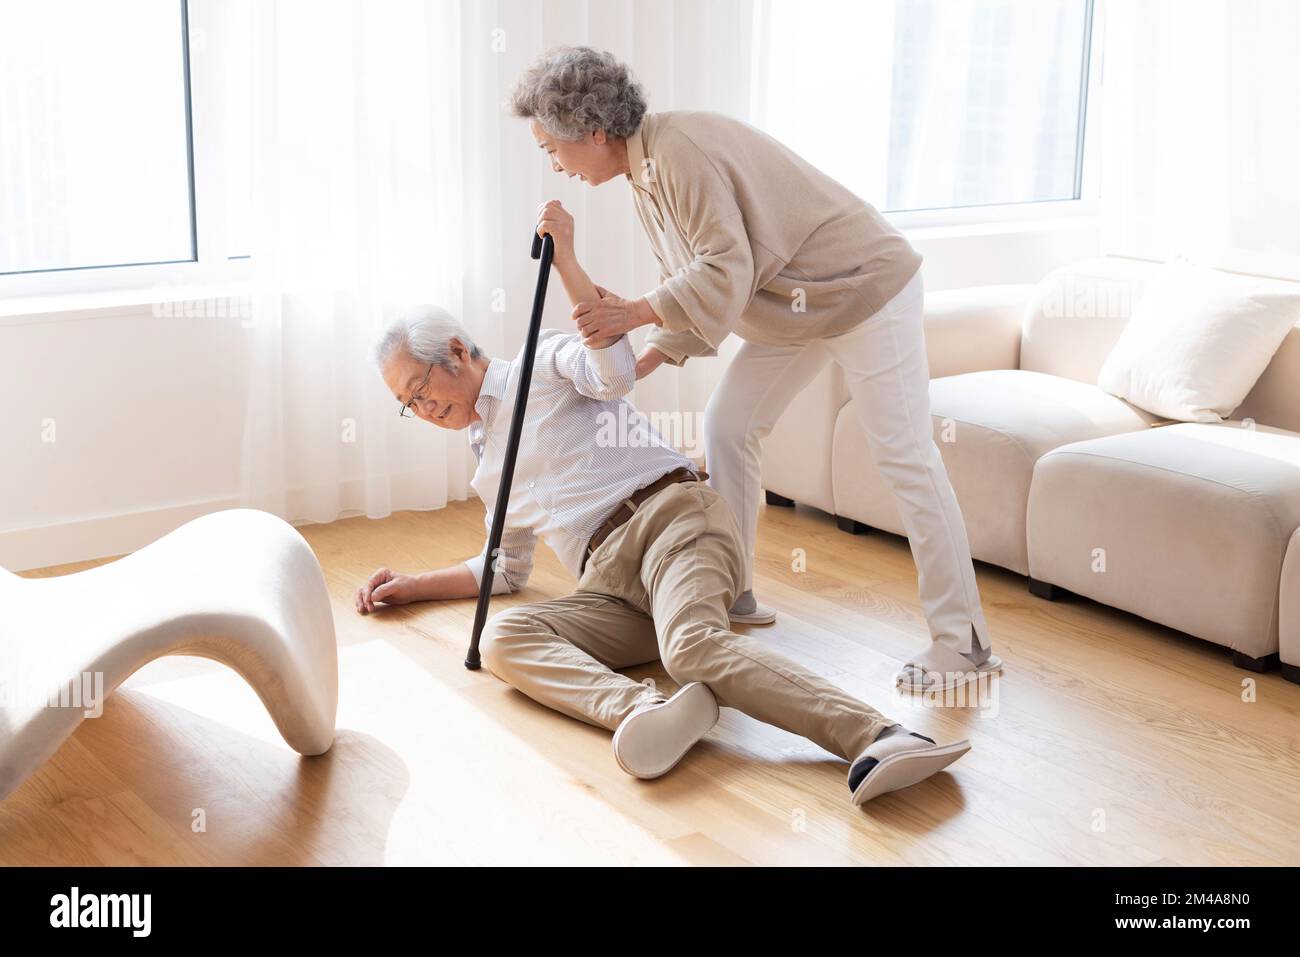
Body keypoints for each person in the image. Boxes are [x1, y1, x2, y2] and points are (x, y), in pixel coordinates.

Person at [354, 216, 971, 804]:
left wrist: (567, 261)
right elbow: (504, 568)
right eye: (407, 404)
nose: (422, 408)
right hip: (612, 588)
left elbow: (614, 372)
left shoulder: (542, 362)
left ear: (458, 352)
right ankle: (645, 709)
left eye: (419, 389)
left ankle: (881, 736)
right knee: (504, 636)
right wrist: (413, 587)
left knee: (691, 648)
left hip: (672, 522)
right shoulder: (488, 463)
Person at [510, 45, 1001, 693]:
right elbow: (694, 280)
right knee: (728, 425)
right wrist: (653, 350)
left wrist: (632, 316)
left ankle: (962, 642)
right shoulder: (645, 172)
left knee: (905, 458)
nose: (554, 162)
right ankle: (731, 589)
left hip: (863, 288)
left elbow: (724, 268)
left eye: (552, 147)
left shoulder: (679, 151)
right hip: (796, 304)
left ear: (594, 132)